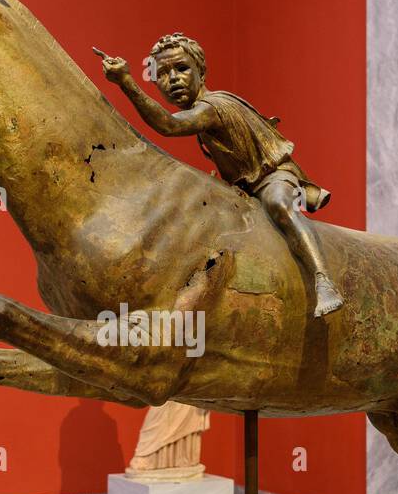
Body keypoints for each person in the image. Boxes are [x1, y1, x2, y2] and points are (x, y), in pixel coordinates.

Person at [95, 32, 344, 317]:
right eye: (162, 74)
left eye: (182, 68)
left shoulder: (211, 108)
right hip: (242, 186)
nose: (173, 78)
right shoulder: (203, 113)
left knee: (278, 205)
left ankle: (323, 280)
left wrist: (126, 82)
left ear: (201, 72)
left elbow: (168, 126)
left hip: (271, 177)